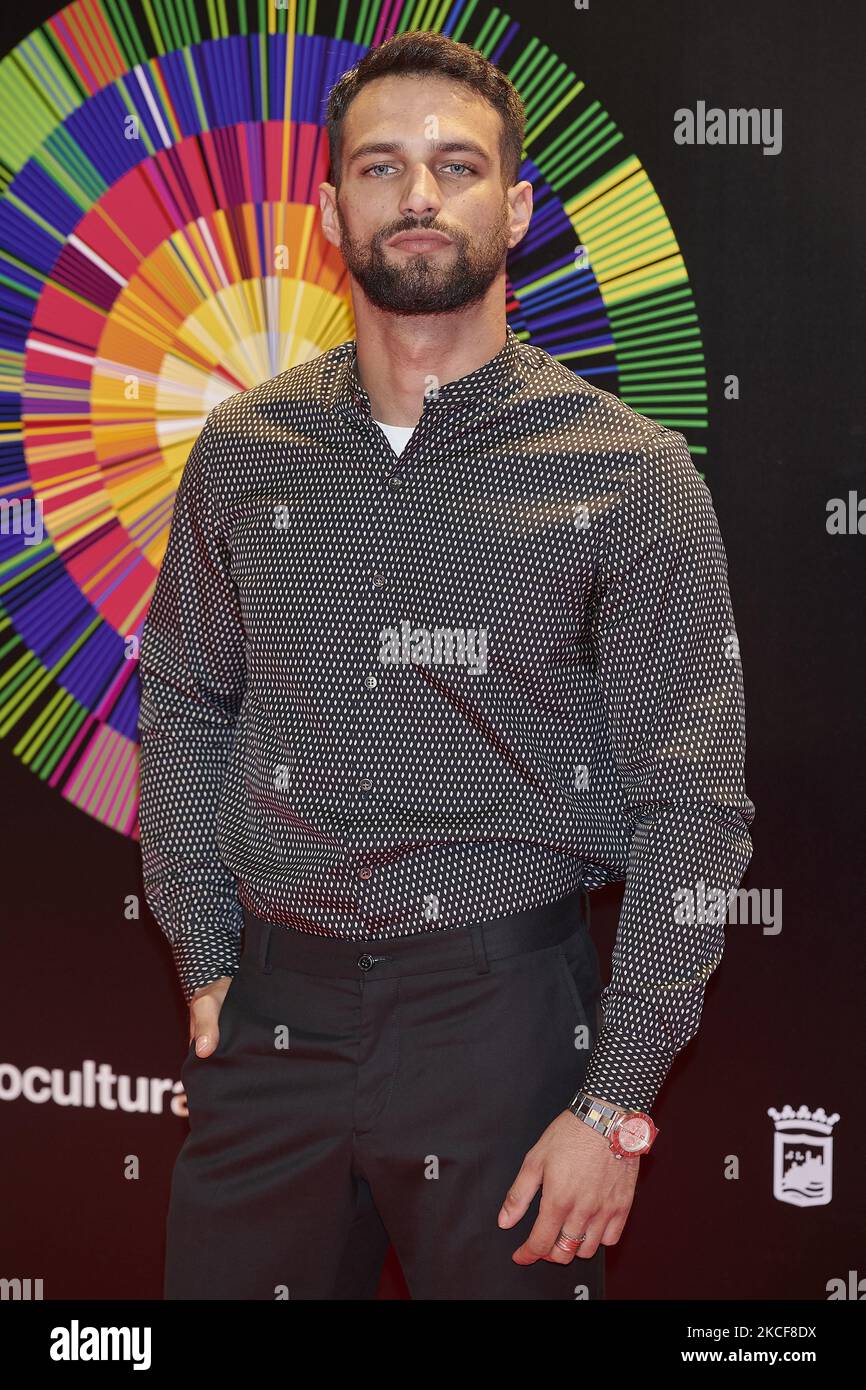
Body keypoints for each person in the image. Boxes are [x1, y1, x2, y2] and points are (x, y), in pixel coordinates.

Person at [138, 30, 755, 1301]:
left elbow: (692, 808)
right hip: (273, 1016)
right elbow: (189, 699)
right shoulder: (247, 447)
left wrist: (617, 1101)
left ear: (513, 205)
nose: (418, 194)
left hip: (510, 1032)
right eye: (380, 166)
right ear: (329, 211)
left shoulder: (627, 474)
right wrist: (204, 950)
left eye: (455, 165)